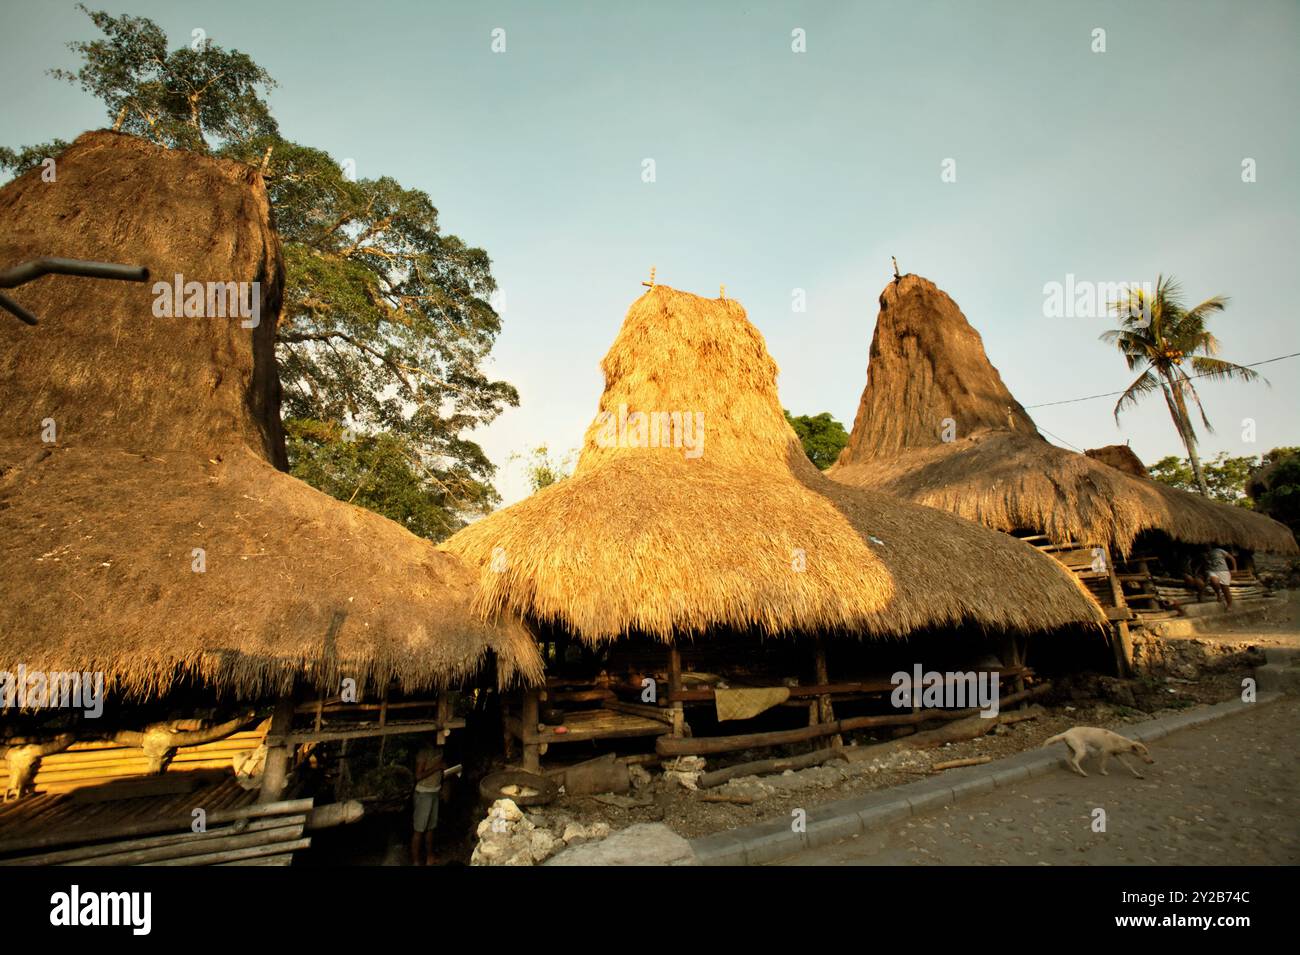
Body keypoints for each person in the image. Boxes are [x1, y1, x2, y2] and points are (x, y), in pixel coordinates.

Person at [410, 744, 445, 866]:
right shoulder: (423, 752)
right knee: (419, 830)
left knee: (431, 828)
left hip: (434, 792)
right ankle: (416, 862)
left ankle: (430, 858)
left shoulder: (440, 749)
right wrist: (437, 767)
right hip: (423, 794)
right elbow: (418, 776)